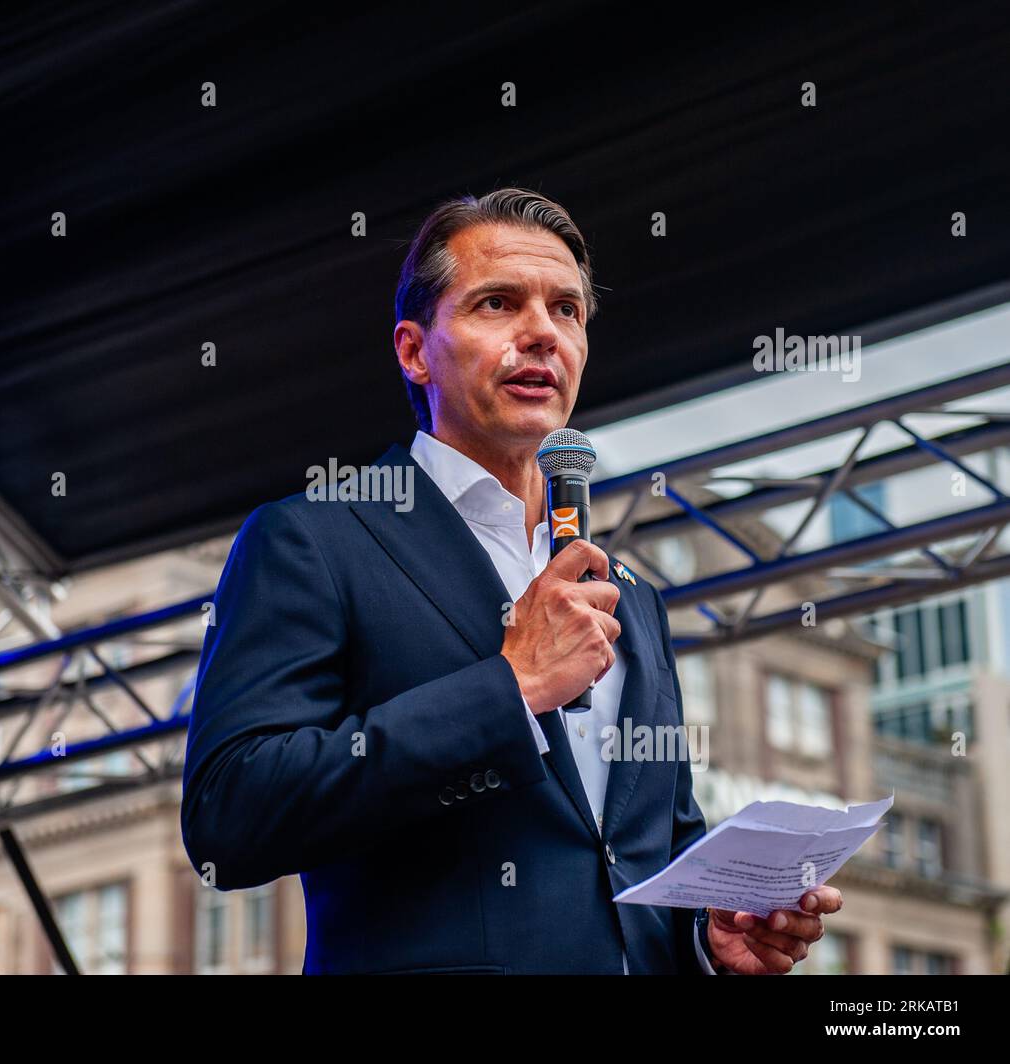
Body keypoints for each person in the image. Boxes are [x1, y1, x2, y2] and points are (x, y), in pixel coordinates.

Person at [181, 187, 841, 974]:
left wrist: (711, 935)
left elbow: (647, 850)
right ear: (414, 349)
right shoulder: (316, 539)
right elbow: (231, 812)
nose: (541, 333)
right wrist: (510, 687)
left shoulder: (631, 595)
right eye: (498, 303)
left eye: (567, 311)